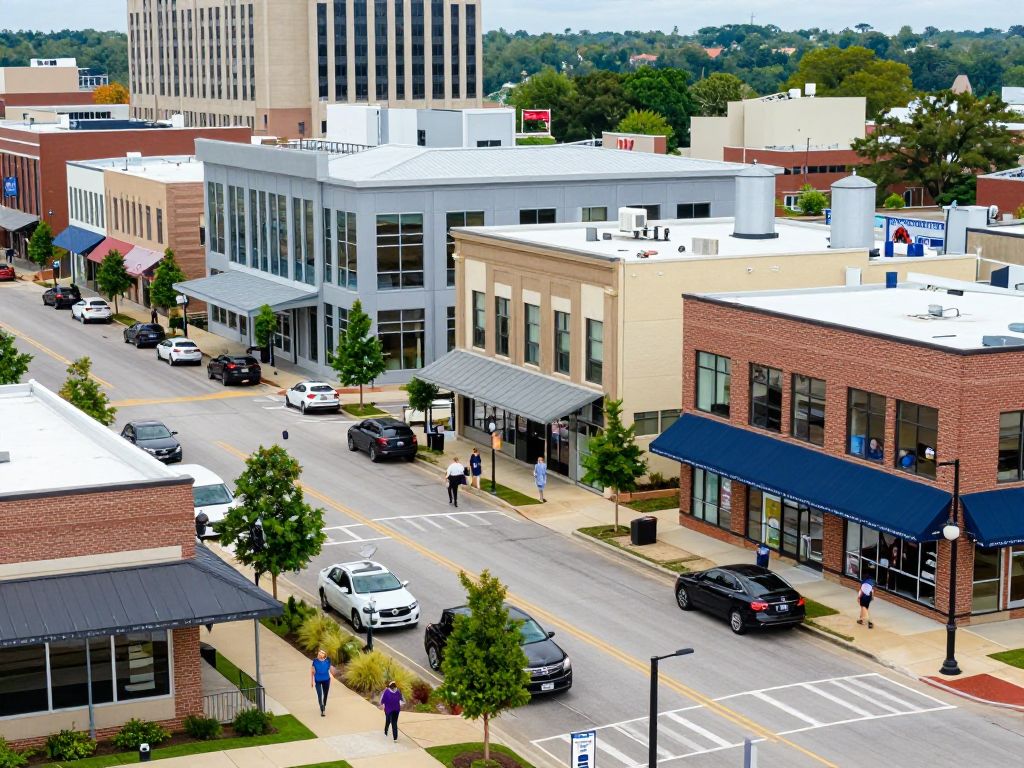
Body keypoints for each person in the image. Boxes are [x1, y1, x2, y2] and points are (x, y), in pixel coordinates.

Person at [310, 648, 335, 716]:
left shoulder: (328, 660)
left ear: (324, 655)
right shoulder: (315, 661)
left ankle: (324, 704)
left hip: (326, 680)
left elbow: (330, 669)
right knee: (319, 694)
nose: (320, 653)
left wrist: (332, 675)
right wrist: (312, 681)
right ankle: (322, 708)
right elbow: (312, 671)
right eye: (319, 652)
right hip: (317, 680)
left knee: (325, 694)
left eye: (322, 652)